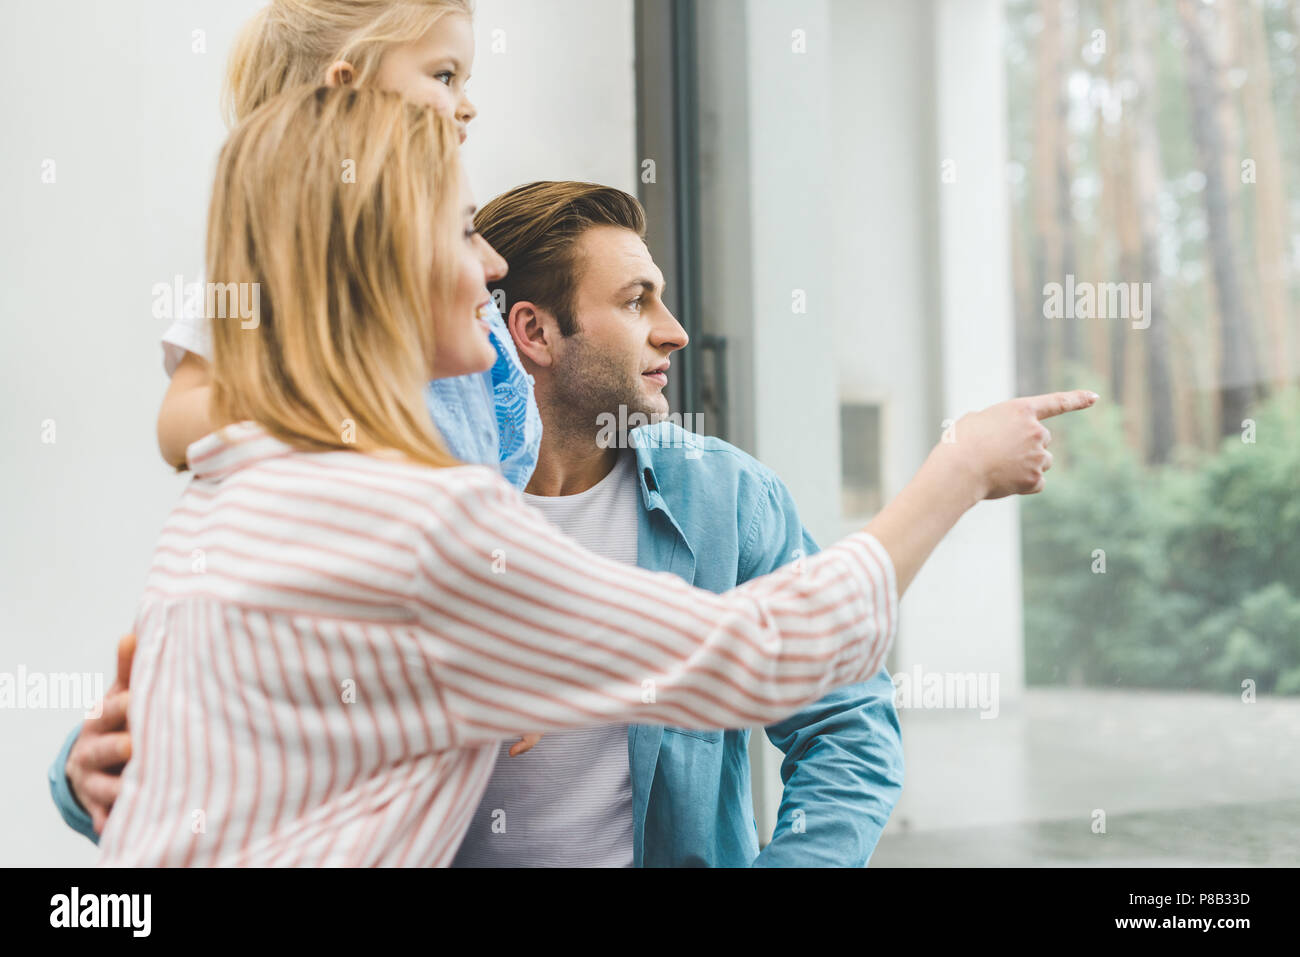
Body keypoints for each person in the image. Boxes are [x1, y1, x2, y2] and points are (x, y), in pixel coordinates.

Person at [96, 83, 1092, 866]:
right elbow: (763, 651)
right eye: (457, 230)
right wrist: (959, 466)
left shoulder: (242, 476)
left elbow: (197, 779)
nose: (485, 267)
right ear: (385, 271)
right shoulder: (428, 520)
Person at [49, 0, 542, 841]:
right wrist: (317, 391)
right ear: (346, 91)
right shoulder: (272, 270)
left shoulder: (468, 289)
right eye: (444, 75)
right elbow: (182, 421)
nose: (467, 104)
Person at [451, 181, 902, 867]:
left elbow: (847, 722)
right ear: (534, 331)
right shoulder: (423, 510)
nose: (675, 330)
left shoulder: (728, 496)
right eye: (636, 301)